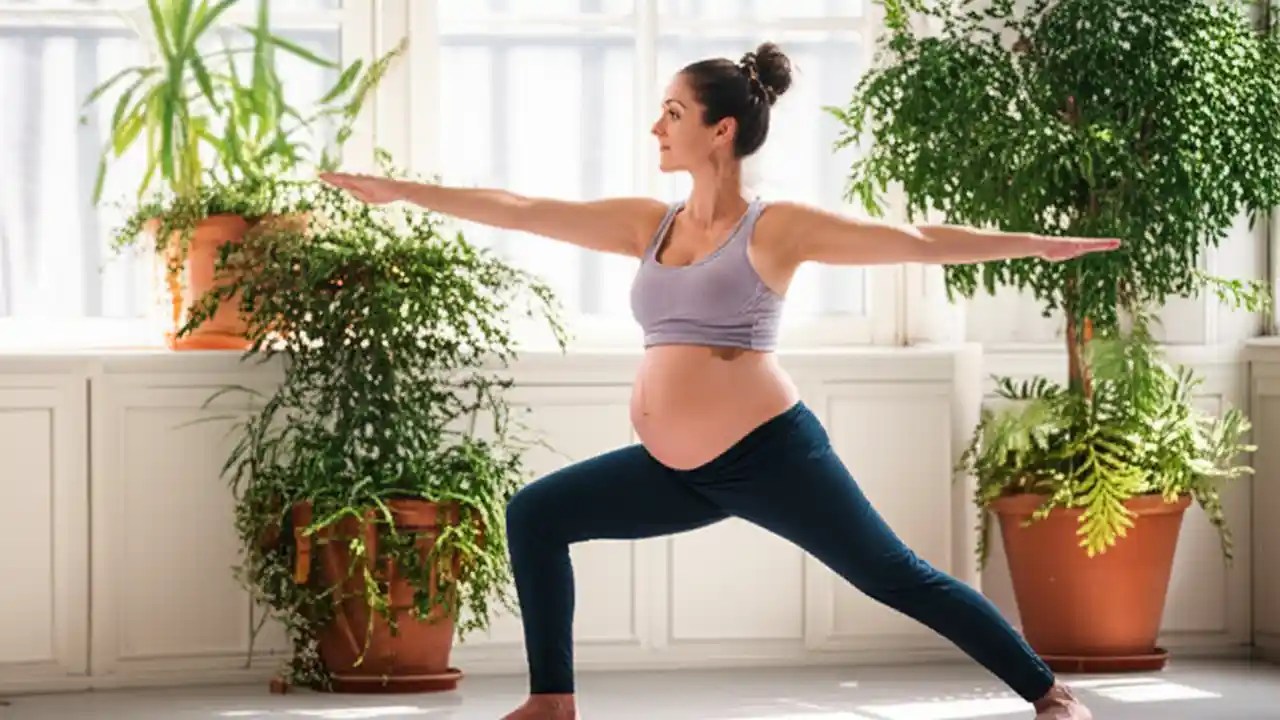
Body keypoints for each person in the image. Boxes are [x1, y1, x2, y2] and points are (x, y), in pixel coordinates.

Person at [321, 41, 1108, 720]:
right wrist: (404, 192)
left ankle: (1048, 694)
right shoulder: (649, 223)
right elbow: (525, 209)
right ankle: (553, 701)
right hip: (677, 470)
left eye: (672, 112)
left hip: (772, 457)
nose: (655, 127)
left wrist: (1033, 244)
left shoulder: (775, 228)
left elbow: (912, 240)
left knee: (894, 577)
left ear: (719, 129)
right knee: (537, 513)